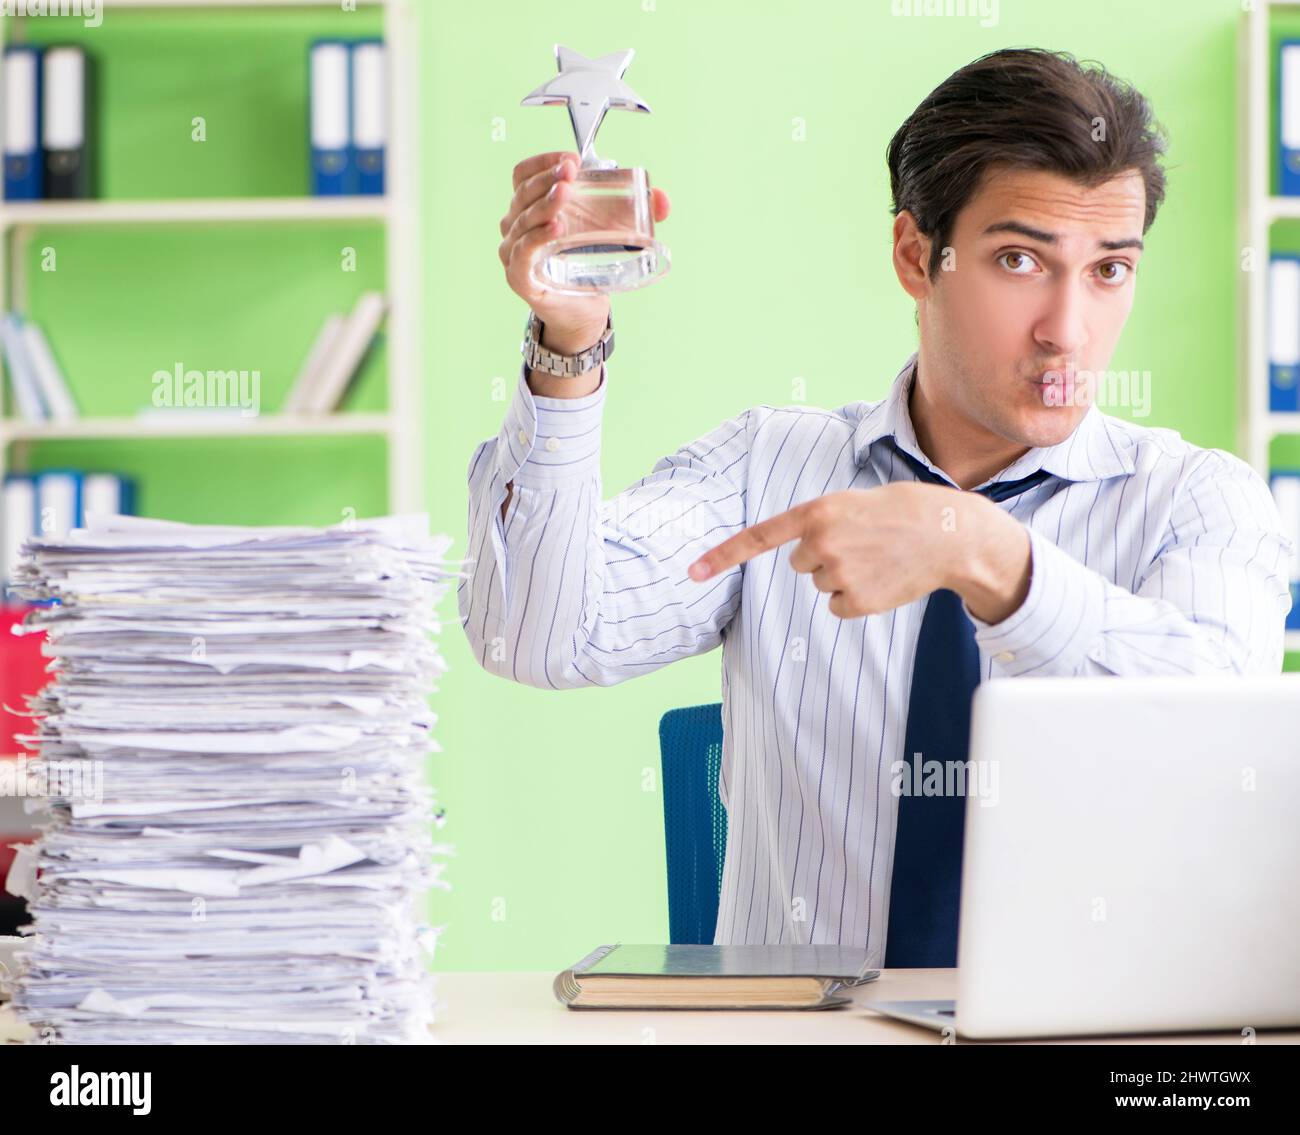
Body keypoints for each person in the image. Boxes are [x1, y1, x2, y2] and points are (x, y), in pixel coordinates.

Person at [459, 47, 1294, 963]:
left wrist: (993, 560)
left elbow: (1221, 749)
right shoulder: (766, 467)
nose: (1068, 328)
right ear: (914, 255)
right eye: (1019, 259)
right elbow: (535, 638)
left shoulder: (1197, 499)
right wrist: (567, 344)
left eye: (1108, 271)